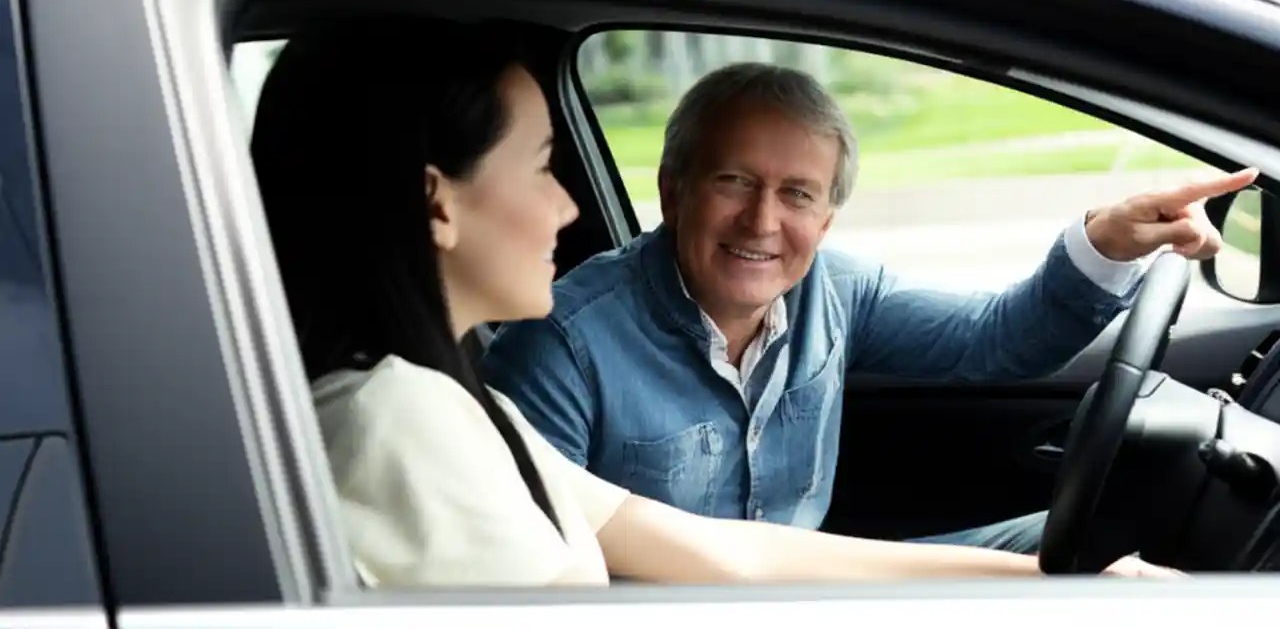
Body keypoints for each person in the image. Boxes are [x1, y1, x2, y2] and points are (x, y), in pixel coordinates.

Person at [249, 20, 1178, 587]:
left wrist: (1054, 582)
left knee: (1078, 538)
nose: (571, 206)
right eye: (542, 166)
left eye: (800, 195)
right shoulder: (426, 410)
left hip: (760, 595)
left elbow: (744, 559)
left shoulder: (463, 411)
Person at [483, 61, 1258, 553]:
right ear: (672, 190)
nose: (761, 222)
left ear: (826, 220)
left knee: (1087, 547)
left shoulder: (835, 290)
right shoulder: (561, 344)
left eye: (796, 195)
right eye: (733, 182)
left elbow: (997, 343)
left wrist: (1108, 244)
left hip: (810, 591)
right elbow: (542, 571)